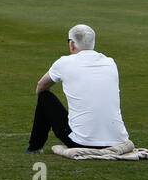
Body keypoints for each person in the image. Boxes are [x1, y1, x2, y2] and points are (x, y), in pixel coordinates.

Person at [27, 24, 130, 154]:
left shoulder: (64, 62)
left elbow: (41, 86)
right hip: (119, 140)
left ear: (72, 44)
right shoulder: (110, 62)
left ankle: (35, 147)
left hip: (81, 142)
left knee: (44, 96)